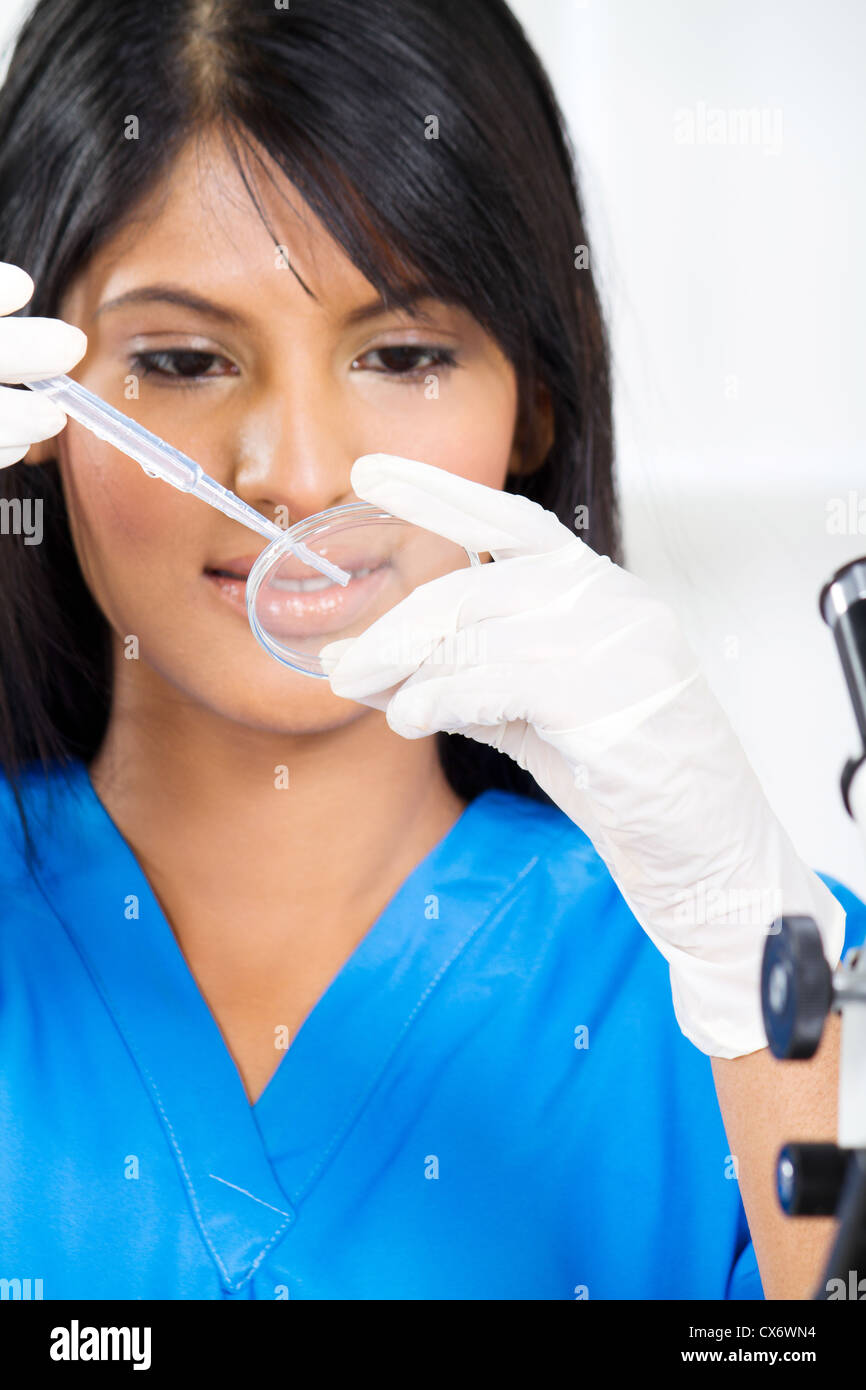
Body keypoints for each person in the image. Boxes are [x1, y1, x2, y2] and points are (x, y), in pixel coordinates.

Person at [0, 0, 860, 1301]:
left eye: (402, 353)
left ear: (536, 401)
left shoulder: (768, 969)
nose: (292, 473)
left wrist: (765, 996)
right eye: (179, 358)